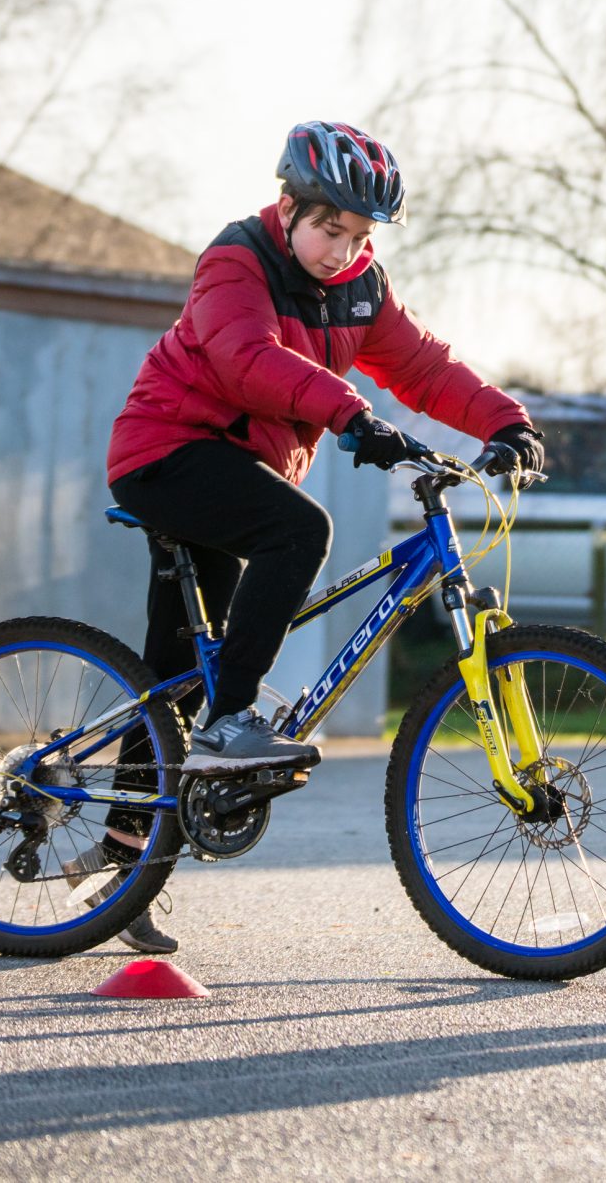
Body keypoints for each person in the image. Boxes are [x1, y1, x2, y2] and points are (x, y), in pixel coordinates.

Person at [71, 120, 546, 953]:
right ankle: (232, 724)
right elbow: (244, 357)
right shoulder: (237, 259)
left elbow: (423, 368)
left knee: (177, 675)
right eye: (330, 229)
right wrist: (353, 417)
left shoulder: (362, 289)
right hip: (168, 452)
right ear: (289, 207)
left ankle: (123, 859)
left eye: (360, 236)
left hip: (239, 470)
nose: (342, 251)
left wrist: (506, 422)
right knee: (299, 531)